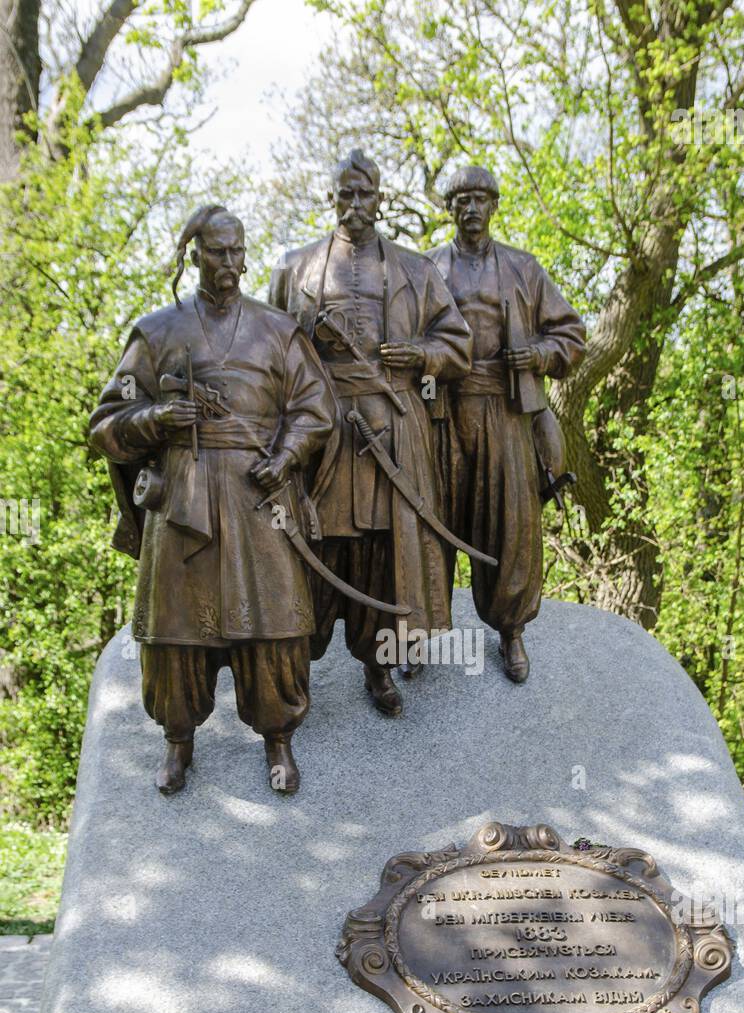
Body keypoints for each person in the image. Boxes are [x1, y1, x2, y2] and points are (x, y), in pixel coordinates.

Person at [90, 205, 338, 794]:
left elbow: (315, 409)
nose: (229, 264)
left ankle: (278, 738)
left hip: (258, 494)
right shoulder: (156, 332)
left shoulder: (278, 330)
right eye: (217, 252)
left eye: (237, 251)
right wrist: (157, 417)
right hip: (184, 496)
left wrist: (284, 457)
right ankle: (178, 742)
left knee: (275, 624)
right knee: (174, 631)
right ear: (194, 255)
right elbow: (105, 424)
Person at [269, 149, 472, 714]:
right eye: (345, 195)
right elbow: (269, 351)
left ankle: (377, 666)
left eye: (365, 195)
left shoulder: (415, 269)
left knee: (385, 553)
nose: (355, 206)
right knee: (315, 545)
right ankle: (297, 668)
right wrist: (307, 327)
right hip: (324, 431)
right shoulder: (295, 268)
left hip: (390, 425)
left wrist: (420, 353)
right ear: (332, 198)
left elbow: (458, 345)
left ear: (380, 199)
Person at [429, 166, 586, 683]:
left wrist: (537, 353)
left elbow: (571, 337)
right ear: (449, 209)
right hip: (443, 413)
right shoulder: (426, 269)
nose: (471, 208)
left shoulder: (523, 268)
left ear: (494, 206)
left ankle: (511, 631)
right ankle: (421, 633)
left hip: (507, 410)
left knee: (511, 526)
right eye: (461, 200)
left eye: (480, 199)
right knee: (433, 522)